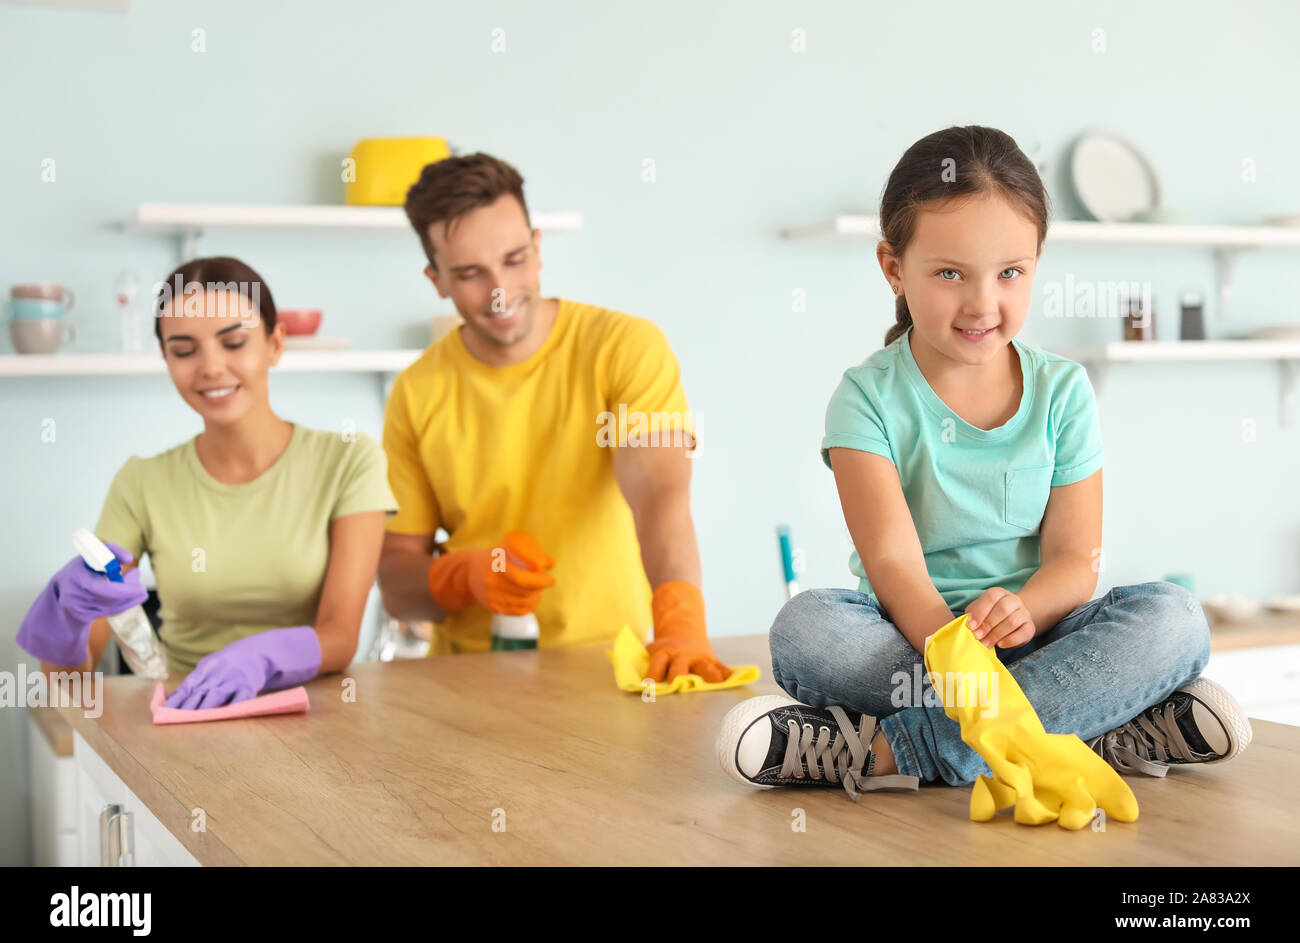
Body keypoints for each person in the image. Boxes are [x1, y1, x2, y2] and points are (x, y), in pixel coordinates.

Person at [717, 126, 1251, 797]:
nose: (983, 304)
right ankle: (1090, 732)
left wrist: (1026, 608)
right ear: (893, 268)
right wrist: (960, 657)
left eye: (1010, 273)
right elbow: (893, 565)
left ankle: (895, 751)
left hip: (1047, 642)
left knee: (1174, 619)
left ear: (1035, 265)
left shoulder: (1063, 390)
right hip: (918, 648)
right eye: (949, 274)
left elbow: (1074, 562)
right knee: (806, 630)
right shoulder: (865, 398)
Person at [378, 152, 732, 682]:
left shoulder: (624, 348)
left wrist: (680, 620)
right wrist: (461, 577)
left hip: (612, 669)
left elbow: (659, 489)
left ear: (538, 249)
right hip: (467, 681)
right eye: (471, 273)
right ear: (437, 280)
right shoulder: (416, 391)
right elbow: (397, 584)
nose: (500, 292)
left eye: (515, 259)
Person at [15, 257, 398, 709]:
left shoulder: (350, 462)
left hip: (317, 716)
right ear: (165, 359)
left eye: (233, 342)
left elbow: (340, 635)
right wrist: (67, 617)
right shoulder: (142, 481)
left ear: (276, 344)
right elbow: (71, 680)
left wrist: (263, 657)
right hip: (184, 713)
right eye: (183, 350)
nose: (211, 367)